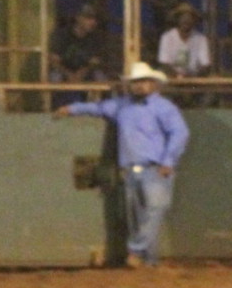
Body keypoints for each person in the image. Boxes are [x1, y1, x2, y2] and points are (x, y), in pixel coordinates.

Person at [54, 61, 189, 268]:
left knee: (153, 209)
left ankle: (135, 250)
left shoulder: (163, 107)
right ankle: (147, 261)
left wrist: (168, 160)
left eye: (143, 81)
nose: (139, 86)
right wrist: (72, 109)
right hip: (131, 169)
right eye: (136, 82)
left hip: (155, 167)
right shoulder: (121, 105)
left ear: (153, 83)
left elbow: (179, 133)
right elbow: (97, 108)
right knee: (138, 217)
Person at [49, 4, 111, 83]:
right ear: (78, 18)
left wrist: (81, 73)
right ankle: (49, 95)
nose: (93, 22)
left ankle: (100, 96)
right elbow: (54, 61)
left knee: (100, 76)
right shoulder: (62, 35)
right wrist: (69, 74)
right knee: (55, 76)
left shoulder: (96, 37)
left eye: (95, 19)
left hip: (85, 72)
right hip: (63, 71)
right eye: (88, 18)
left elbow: (94, 62)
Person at [157, 4, 211, 79]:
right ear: (177, 20)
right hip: (171, 80)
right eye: (183, 18)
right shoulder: (167, 37)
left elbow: (205, 65)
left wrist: (193, 76)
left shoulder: (201, 39)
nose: (186, 21)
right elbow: (164, 63)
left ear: (194, 21)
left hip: (194, 81)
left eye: (189, 18)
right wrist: (177, 76)